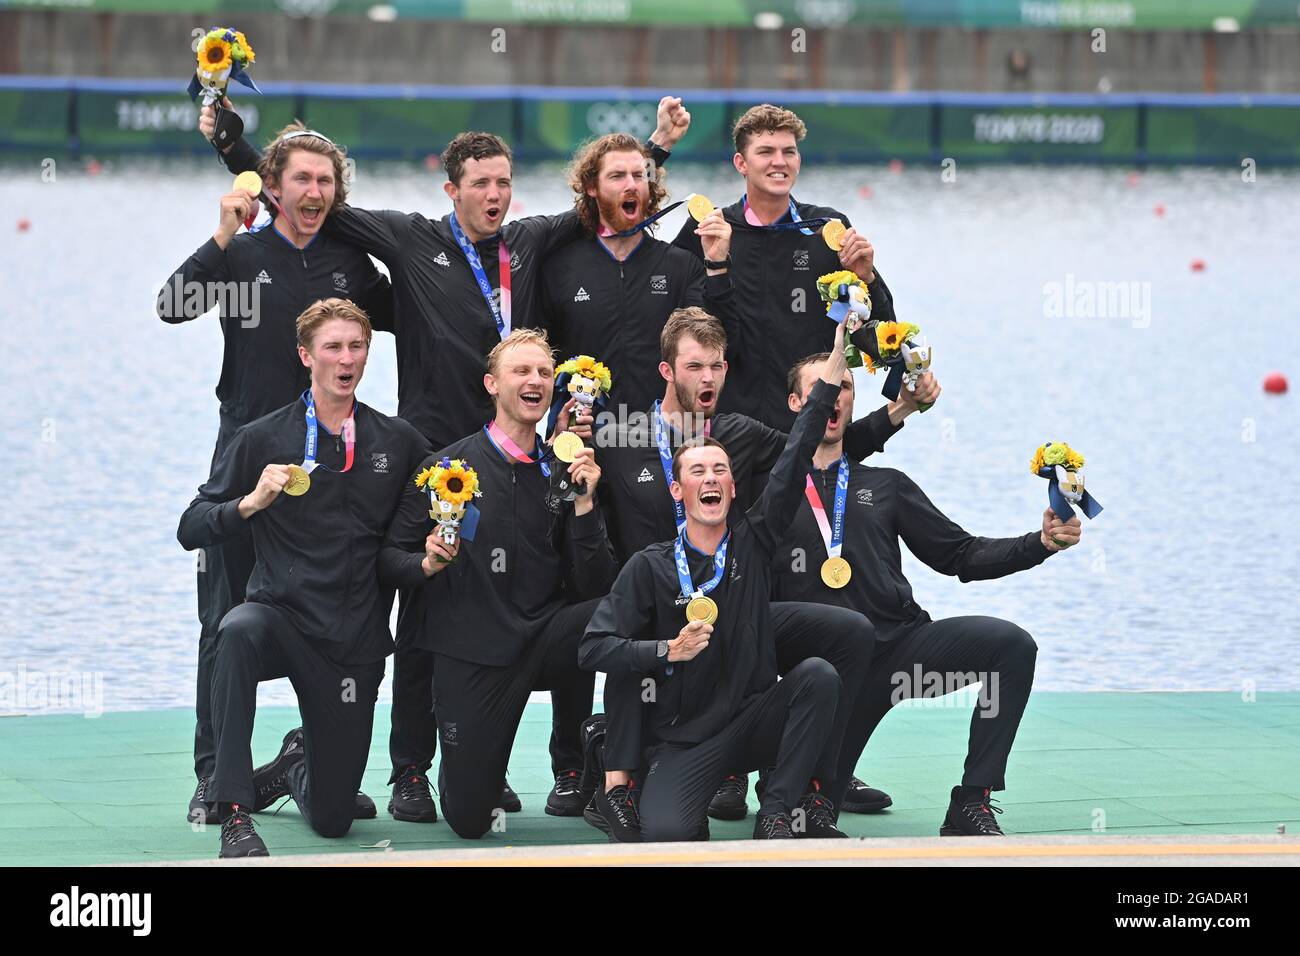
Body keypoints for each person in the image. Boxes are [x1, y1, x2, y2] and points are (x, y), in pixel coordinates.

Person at [202, 98, 690, 819]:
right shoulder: (409, 240)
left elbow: (610, 204)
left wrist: (658, 148)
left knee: (530, 601)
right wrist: (239, 155)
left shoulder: (529, 242)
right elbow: (318, 205)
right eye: (480, 185)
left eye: (503, 183)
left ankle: (508, 760)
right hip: (435, 460)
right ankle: (409, 770)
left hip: (519, 458)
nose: (494, 196)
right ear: (450, 188)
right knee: (426, 609)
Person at [578, 307, 939, 829]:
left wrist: (870, 386)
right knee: (668, 833)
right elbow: (594, 642)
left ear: (731, 484)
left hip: (740, 659)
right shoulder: (626, 461)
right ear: (678, 490)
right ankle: (615, 770)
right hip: (670, 672)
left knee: (831, 654)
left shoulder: (748, 491)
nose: (708, 378)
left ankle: (796, 798)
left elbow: (806, 454)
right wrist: (666, 649)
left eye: (720, 471)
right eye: (698, 471)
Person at [158, 122, 393, 825]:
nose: (315, 191)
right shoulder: (243, 255)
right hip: (246, 457)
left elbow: (415, 318)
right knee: (226, 621)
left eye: (326, 181)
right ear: (274, 186)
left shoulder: (351, 259)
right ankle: (215, 775)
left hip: (334, 470)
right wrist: (222, 235)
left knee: (335, 617)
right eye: (302, 180)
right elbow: (172, 306)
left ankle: (316, 763)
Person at [773, 351, 1083, 835]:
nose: (833, 399)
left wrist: (1039, 543)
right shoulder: (769, 491)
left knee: (1011, 646)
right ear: (797, 403)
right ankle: (806, 788)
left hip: (899, 653)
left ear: (853, 402)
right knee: (808, 819)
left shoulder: (887, 485)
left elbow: (960, 555)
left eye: (844, 388)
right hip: (826, 675)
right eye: (821, 390)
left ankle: (971, 801)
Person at [176, 298, 429, 858]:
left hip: (353, 643)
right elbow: (191, 525)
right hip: (280, 619)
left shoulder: (398, 442)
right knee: (236, 630)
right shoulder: (261, 438)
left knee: (336, 819)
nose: (346, 359)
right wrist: (249, 503)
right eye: (333, 347)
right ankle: (234, 811)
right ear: (305, 355)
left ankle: (297, 765)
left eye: (356, 346)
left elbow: (454, 493)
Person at [378, 329, 619, 836]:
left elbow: (597, 581)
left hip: (545, 638)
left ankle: (601, 752)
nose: (535, 381)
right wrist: (423, 564)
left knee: (626, 602)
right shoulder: (446, 468)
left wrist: (585, 503)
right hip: (475, 655)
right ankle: (464, 764)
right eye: (521, 371)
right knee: (469, 820)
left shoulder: (565, 468)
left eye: (544, 373)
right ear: (492, 383)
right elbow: (388, 559)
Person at [672, 103, 900, 430]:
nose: (779, 162)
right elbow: (690, 342)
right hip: (729, 430)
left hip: (810, 428)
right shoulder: (709, 229)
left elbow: (880, 345)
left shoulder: (827, 230)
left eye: (788, 152)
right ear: (741, 163)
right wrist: (717, 266)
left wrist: (869, 278)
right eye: (765, 152)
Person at [540, 132, 737, 414]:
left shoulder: (682, 266)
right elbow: (539, 363)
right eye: (617, 176)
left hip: (662, 437)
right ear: (591, 187)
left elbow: (720, 347)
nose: (631, 185)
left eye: (638, 175)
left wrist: (718, 267)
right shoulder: (559, 268)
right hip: (584, 435)